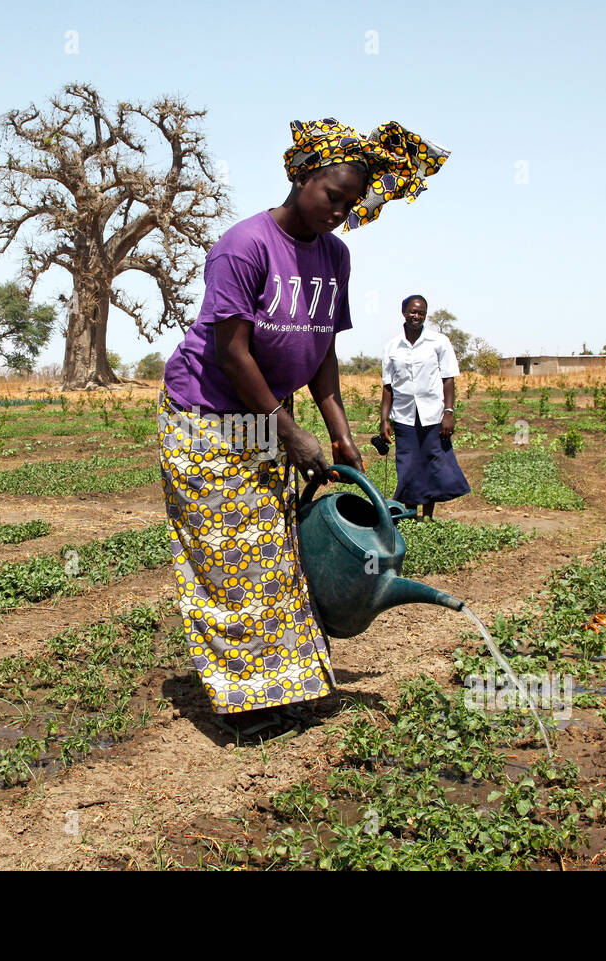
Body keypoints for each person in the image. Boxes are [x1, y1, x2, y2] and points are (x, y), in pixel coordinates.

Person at [159, 118, 449, 723]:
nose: (339, 213)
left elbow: (322, 350)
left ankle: (284, 685)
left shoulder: (335, 256)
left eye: (350, 205)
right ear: (302, 175)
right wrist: (289, 432)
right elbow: (229, 352)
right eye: (332, 196)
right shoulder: (244, 245)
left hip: (268, 417)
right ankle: (243, 703)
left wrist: (339, 432)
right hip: (206, 416)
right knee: (226, 558)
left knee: (272, 551)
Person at [379, 294, 470, 518]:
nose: (416, 316)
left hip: (433, 415)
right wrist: (384, 420)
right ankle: (410, 516)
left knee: (431, 465)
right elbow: (387, 387)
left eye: (421, 313)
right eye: (413, 311)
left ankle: (427, 517)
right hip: (403, 416)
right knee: (408, 467)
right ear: (404, 313)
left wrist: (448, 412)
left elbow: (448, 379)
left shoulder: (439, 342)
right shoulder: (392, 347)